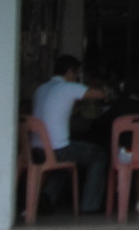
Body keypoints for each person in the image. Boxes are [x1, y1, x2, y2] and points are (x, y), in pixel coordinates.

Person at [32, 54, 109, 213]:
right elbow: (100, 94)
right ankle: (90, 206)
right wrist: (98, 85)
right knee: (100, 155)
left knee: (64, 165)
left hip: (36, 149)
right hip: (57, 149)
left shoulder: (41, 88)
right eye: (76, 74)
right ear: (69, 72)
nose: (76, 77)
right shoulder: (67, 87)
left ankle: (47, 197)